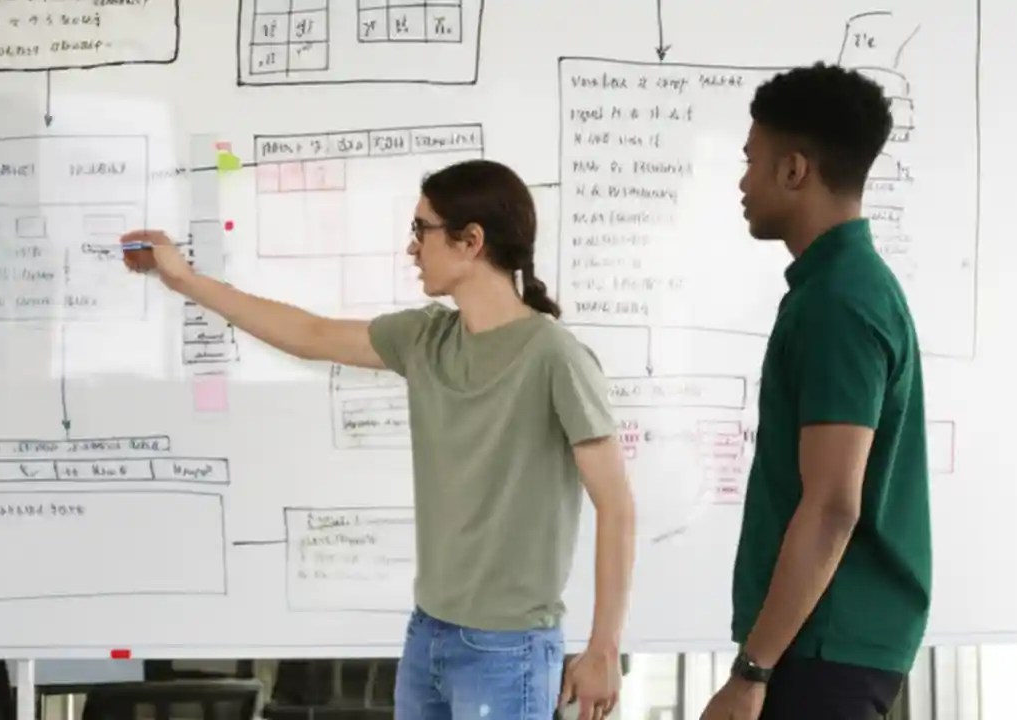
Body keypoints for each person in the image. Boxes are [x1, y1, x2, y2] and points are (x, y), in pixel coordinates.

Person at [119, 159, 637, 719]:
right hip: (429, 635)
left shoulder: (554, 357)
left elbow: (616, 506)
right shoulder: (425, 338)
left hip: (508, 650)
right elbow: (309, 334)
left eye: (422, 229)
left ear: (471, 241)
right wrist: (185, 280)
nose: (412, 248)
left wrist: (604, 645)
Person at [700, 63, 932, 719]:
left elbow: (832, 505)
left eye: (751, 161)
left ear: (794, 169)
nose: (742, 181)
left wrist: (751, 672)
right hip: (821, 646)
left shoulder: (840, 301)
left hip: (822, 651)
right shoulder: (836, 286)